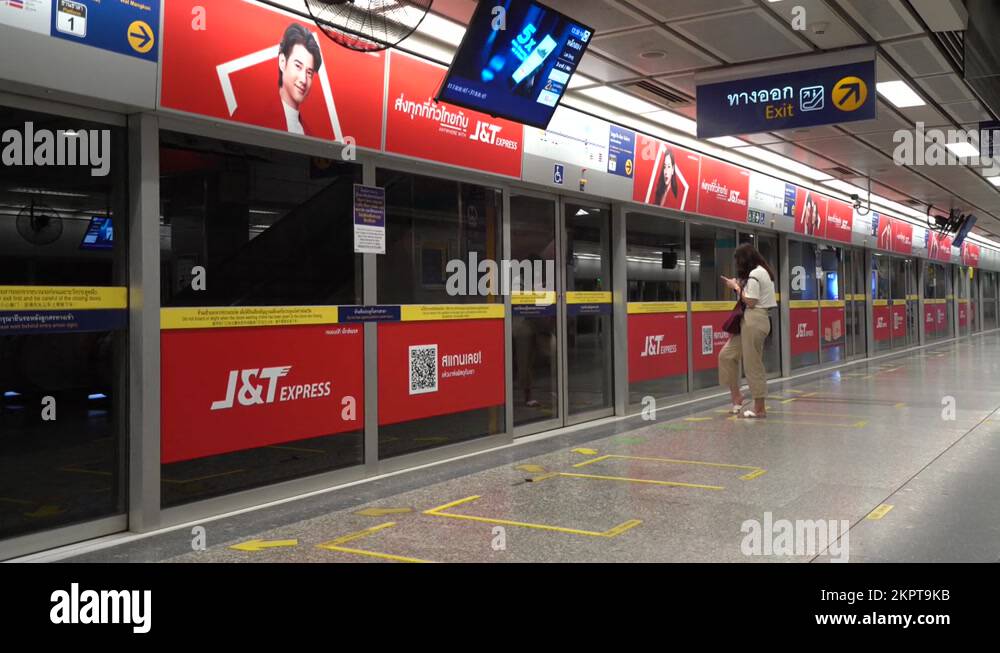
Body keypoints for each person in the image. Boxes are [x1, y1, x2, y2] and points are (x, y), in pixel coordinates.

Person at [719, 244, 777, 418]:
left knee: (752, 364)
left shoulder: (755, 274)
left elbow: (751, 301)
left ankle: (759, 408)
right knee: (726, 356)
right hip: (752, 320)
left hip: (754, 319)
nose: (738, 265)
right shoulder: (761, 272)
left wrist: (736, 287)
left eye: (738, 261)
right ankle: (737, 396)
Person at [275, 23, 323, 136]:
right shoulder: (256, 117)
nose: (304, 80)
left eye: (309, 72)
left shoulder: (309, 136)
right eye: (298, 66)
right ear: (282, 62)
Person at [653, 146, 690, 210]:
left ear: (673, 170)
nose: (666, 172)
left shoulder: (674, 196)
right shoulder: (659, 191)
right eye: (665, 167)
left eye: (669, 166)